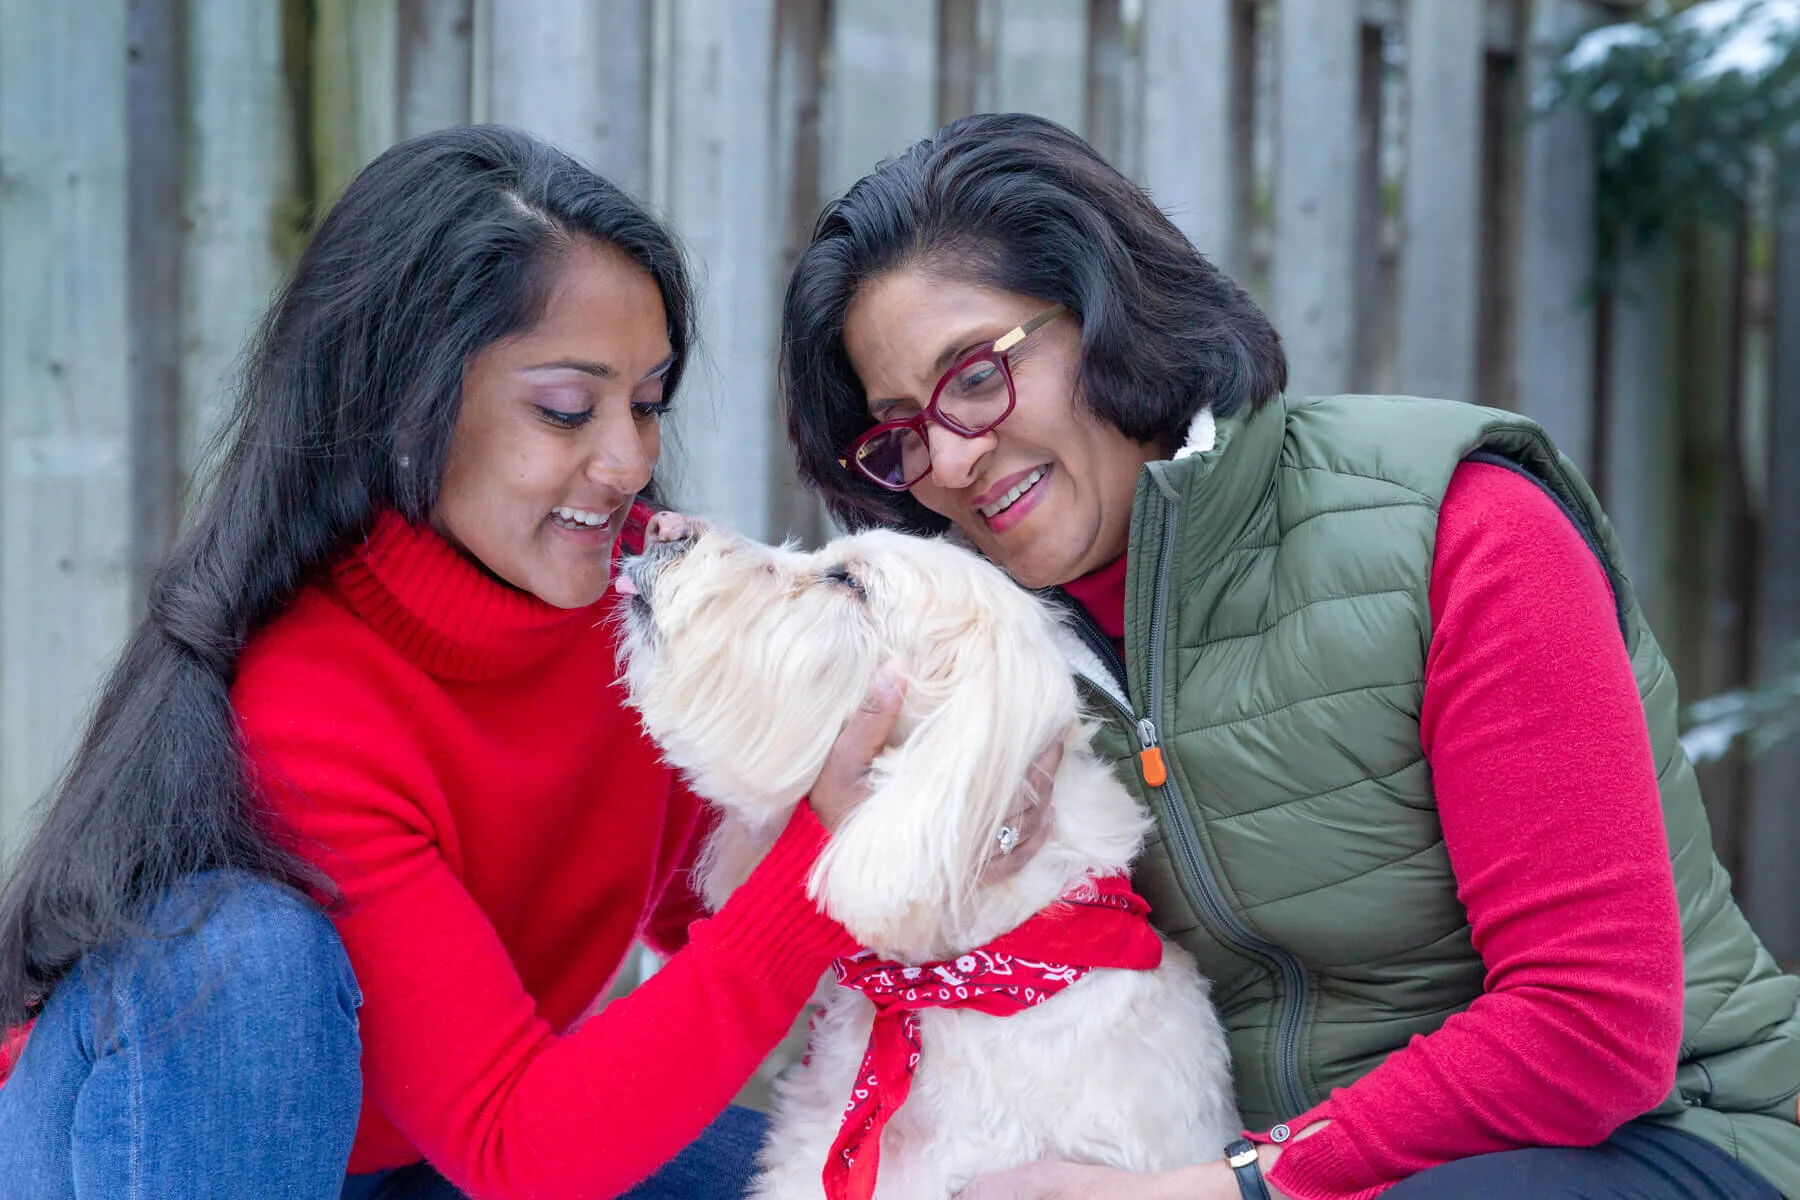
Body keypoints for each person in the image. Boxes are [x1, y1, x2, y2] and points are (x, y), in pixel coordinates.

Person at [780, 112, 1800, 1200]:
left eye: (975, 377)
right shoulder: (982, 655)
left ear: (1109, 311)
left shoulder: (1455, 533)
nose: (950, 458)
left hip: (1653, 1138)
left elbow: (1590, 1026)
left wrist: (1224, 1188)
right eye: (899, 433)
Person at [0, 125, 910, 1200]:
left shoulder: (642, 610)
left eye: (648, 401)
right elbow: (520, 1148)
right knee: (245, 961)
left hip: (416, 1159)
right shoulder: (308, 706)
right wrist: (815, 875)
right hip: (150, 1154)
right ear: (405, 408)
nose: (628, 461)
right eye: (566, 408)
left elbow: (723, 906)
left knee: (844, 1177)